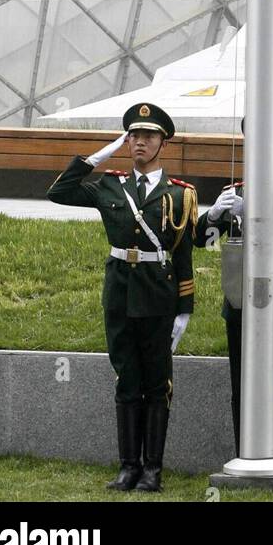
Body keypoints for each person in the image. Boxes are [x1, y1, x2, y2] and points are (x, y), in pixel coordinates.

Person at [47, 102, 197, 494]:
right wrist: (99, 155)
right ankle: (128, 467)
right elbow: (58, 192)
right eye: (134, 136)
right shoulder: (111, 185)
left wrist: (184, 307)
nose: (140, 142)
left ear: (163, 142)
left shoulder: (180, 195)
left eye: (148, 136)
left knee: (157, 382)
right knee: (126, 379)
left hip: (158, 296)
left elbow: (183, 255)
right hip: (119, 295)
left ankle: (153, 470)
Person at [195, 120, 273, 456]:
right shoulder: (236, 191)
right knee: (240, 383)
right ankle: (243, 451)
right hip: (238, 299)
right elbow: (200, 240)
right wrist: (213, 215)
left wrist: (254, 215)